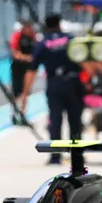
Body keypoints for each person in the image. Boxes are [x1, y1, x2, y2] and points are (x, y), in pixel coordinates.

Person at [23, 14, 83, 165]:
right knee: (75, 120)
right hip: (73, 82)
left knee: (55, 119)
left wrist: (25, 93)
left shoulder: (43, 43)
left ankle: (55, 156)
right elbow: (83, 61)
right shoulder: (70, 40)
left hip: (54, 84)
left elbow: (32, 69)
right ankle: (77, 155)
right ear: (59, 24)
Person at [10, 19, 37, 125]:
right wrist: (27, 58)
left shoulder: (33, 37)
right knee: (17, 92)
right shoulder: (17, 36)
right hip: (18, 67)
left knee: (26, 92)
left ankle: (22, 114)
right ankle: (14, 114)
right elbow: (15, 53)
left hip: (29, 69)